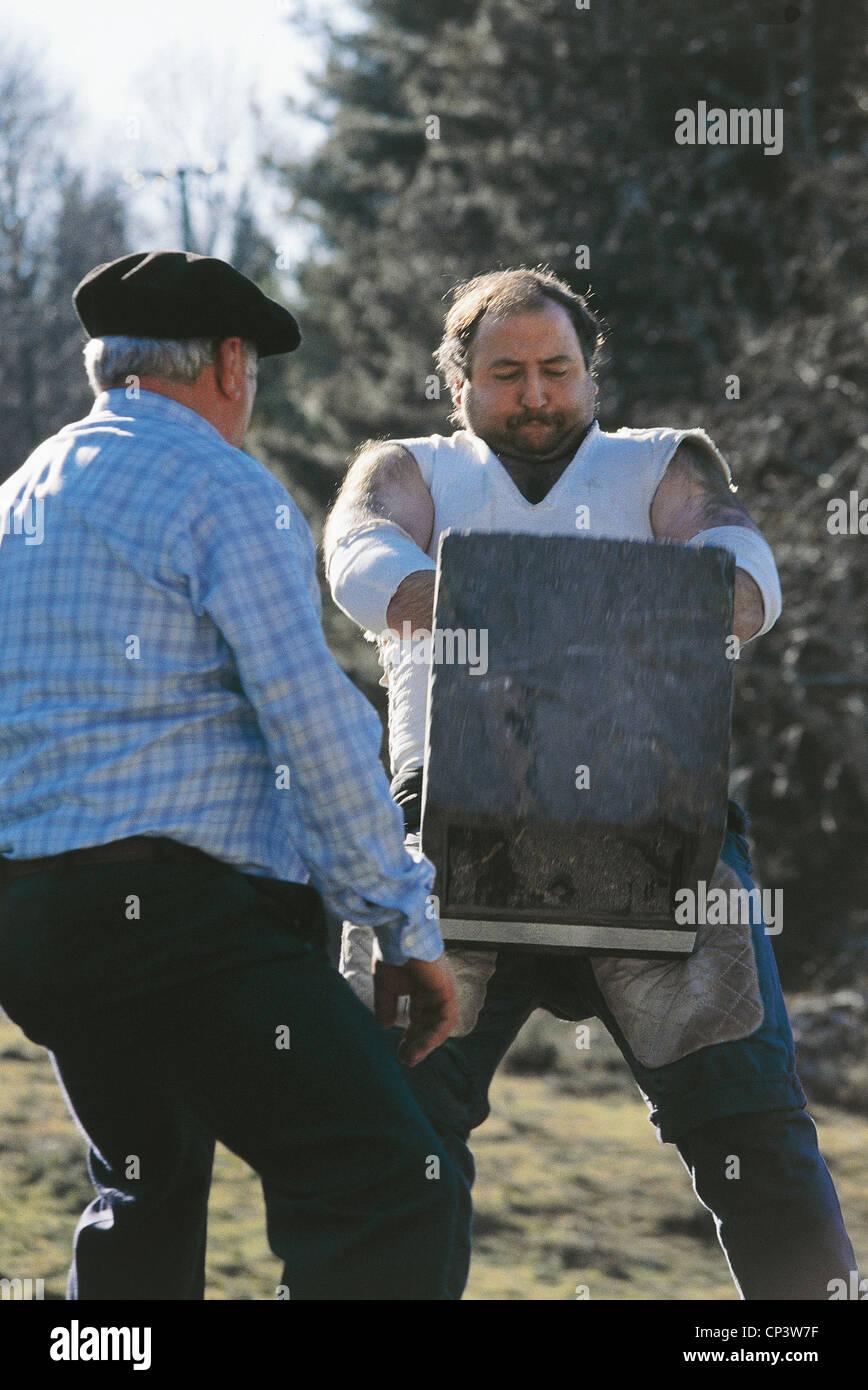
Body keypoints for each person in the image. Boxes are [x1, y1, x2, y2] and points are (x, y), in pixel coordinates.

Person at [323, 266, 858, 1300]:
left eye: (557, 370)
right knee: (393, 1127)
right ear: (459, 382)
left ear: (589, 372)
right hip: (447, 828)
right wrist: (499, 601)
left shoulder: (663, 460)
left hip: (653, 815)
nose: (535, 394)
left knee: (748, 1117)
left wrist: (523, 615)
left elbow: (742, 573)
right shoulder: (410, 467)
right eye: (506, 373)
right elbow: (355, 552)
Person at [0, 250, 460, 1301]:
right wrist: (400, 925)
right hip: (174, 921)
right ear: (230, 364)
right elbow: (310, 719)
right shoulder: (223, 489)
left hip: (36, 924)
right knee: (386, 1181)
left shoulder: (19, 496)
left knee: (141, 1200)